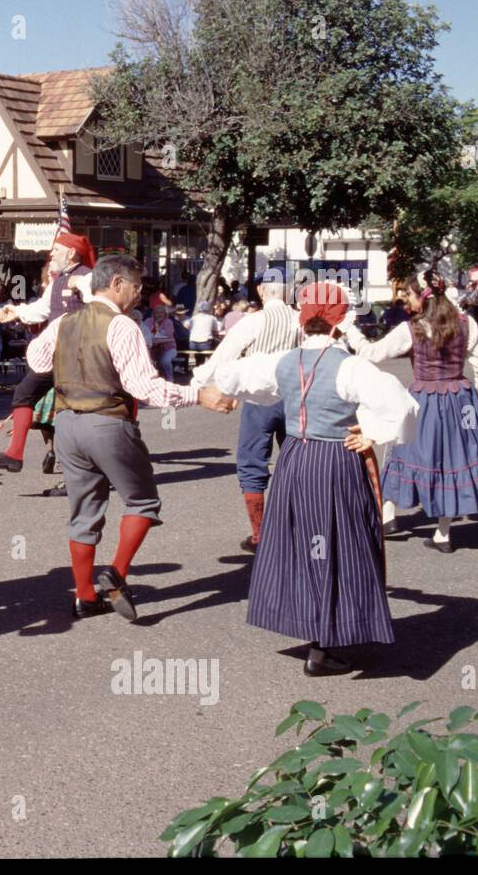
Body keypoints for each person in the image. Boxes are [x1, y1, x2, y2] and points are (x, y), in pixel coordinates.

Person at [211, 282, 417, 676]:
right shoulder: (351, 366)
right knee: (340, 544)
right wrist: (371, 432)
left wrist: (215, 389)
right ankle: (326, 645)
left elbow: (232, 376)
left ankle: (313, 630)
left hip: (295, 459)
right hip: (335, 461)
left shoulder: (283, 361)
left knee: (302, 544)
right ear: (341, 322)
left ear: (303, 320)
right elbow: (403, 407)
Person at [49, 255, 234, 623]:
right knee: (143, 502)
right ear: (117, 284)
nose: (138, 295)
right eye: (136, 287)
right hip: (107, 422)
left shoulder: (65, 322)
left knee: (84, 513)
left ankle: (84, 596)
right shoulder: (123, 325)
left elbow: (36, 359)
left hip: (66, 424)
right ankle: (116, 573)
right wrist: (199, 395)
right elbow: (143, 388)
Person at [342, 275, 478, 552]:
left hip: (424, 398)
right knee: (452, 459)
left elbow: (372, 353)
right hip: (459, 398)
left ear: (424, 297)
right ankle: (443, 533)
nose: (407, 299)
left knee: (403, 449)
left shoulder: (412, 329)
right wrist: (476, 391)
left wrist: (350, 330)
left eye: (410, 294)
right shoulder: (466, 323)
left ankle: (388, 514)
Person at [191, 280, 299, 551]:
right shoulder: (300, 320)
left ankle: (260, 533)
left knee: (252, 462)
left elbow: (224, 355)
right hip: (294, 398)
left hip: (258, 399)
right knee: (296, 462)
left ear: (262, 292)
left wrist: (199, 383)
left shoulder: (253, 321)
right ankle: (296, 528)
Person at [0, 230, 96, 473]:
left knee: (74, 412)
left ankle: (82, 470)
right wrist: (17, 312)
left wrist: (83, 288)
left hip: (79, 356)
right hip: (56, 353)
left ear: (72, 253)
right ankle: (14, 454)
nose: (51, 253)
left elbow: (100, 306)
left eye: (57, 249)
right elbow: (43, 309)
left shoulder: (87, 277)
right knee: (24, 393)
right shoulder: (57, 281)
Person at [146, 304, 177, 381]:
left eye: (161, 313)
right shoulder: (148, 321)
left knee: (165, 361)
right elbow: (146, 333)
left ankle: (170, 378)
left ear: (165, 314)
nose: (159, 315)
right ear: (154, 314)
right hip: (152, 348)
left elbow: (166, 335)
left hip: (168, 348)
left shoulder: (169, 322)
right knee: (148, 362)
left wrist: (157, 327)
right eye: (157, 313)